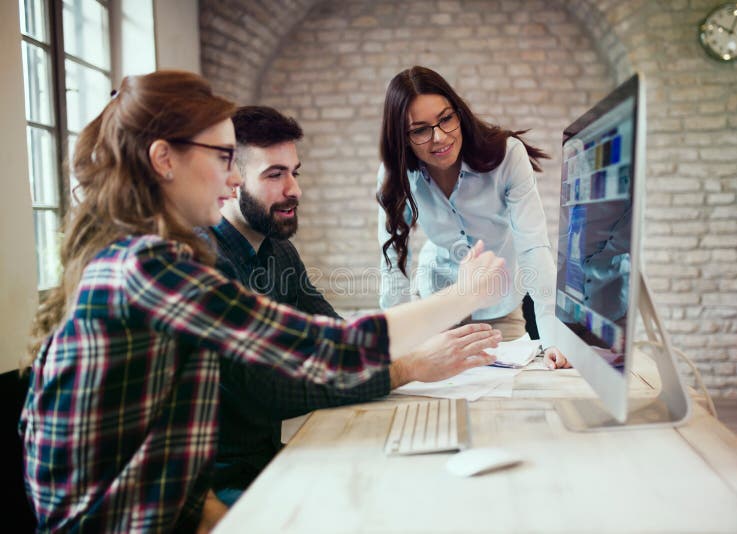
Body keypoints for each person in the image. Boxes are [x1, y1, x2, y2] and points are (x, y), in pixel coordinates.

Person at [19, 70, 506, 533]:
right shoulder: (148, 267)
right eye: (221, 158)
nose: (232, 180)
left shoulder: (144, 258)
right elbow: (319, 347)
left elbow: (153, 456)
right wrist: (459, 296)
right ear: (165, 159)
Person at [209, 105, 501, 505]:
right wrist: (408, 367)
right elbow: (271, 388)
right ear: (231, 179)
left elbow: (334, 335)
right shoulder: (207, 261)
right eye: (275, 175)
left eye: (295, 172)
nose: (294, 189)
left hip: (276, 456)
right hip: (227, 482)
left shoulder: (279, 250)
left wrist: (423, 350)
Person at [376, 65, 571, 369]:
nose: (439, 137)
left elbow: (533, 246)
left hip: (499, 303)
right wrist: (397, 342)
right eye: (420, 130)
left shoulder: (508, 157)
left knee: (505, 391)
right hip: (439, 301)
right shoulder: (396, 175)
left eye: (445, 119)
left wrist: (553, 337)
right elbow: (393, 259)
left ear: (459, 113)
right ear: (402, 137)